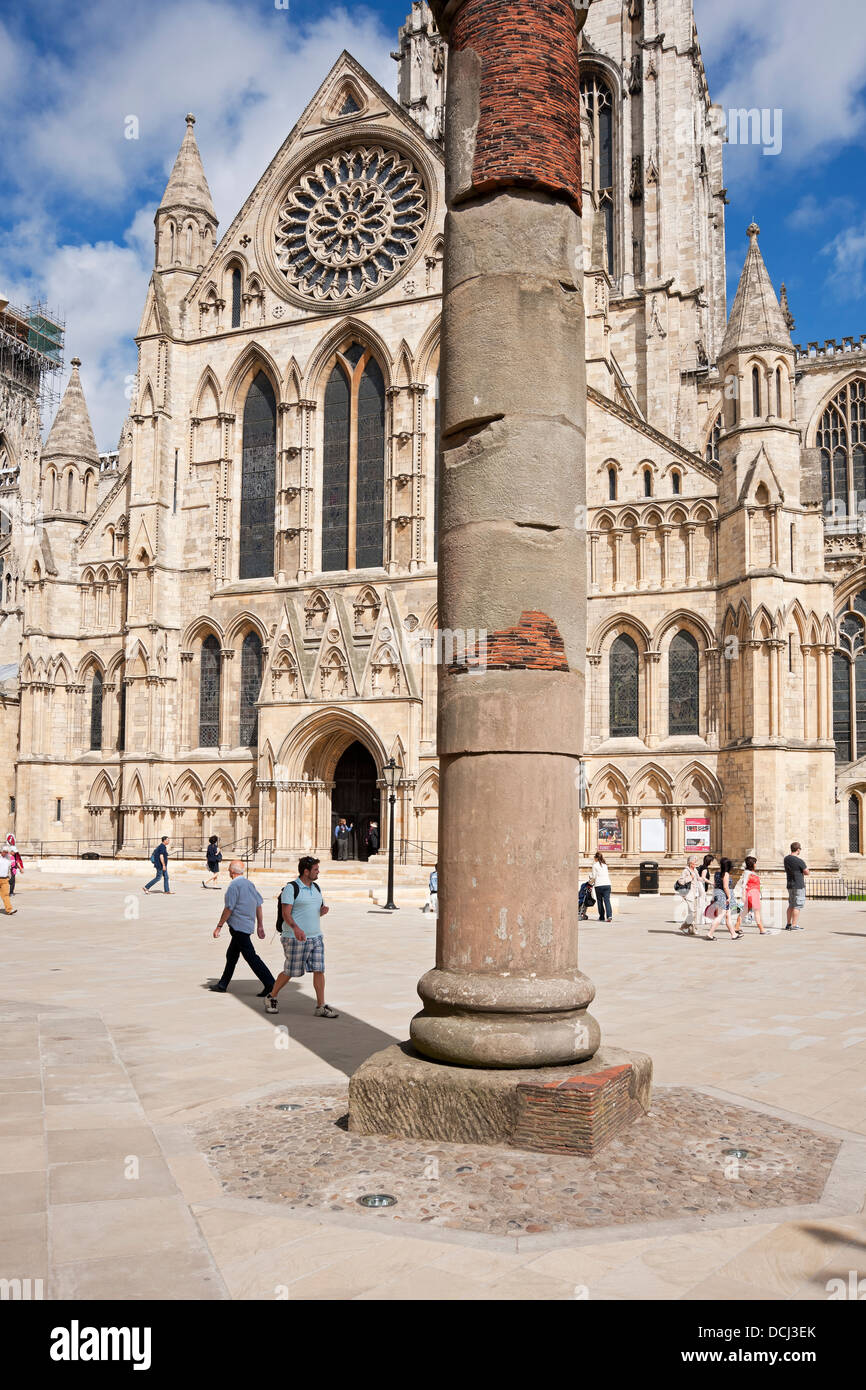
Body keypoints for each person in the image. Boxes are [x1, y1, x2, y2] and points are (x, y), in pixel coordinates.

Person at [264, 856, 338, 1018]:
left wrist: (322, 912)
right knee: (291, 971)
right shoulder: (291, 888)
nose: (318, 872)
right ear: (306, 871)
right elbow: (286, 913)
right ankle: (272, 996)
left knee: (319, 970)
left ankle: (320, 1006)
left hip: (316, 937)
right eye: (316, 870)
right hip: (294, 937)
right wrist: (296, 928)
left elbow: (314, 910)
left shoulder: (316, 887)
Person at [211, 860, 276, 996]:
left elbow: (229, 908)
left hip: (238, 927)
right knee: (232, 955)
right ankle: (223, 984)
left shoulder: (234, 886)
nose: (228, 872)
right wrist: (260, 925)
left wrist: (219, 926)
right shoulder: (249, 884)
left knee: (251, 956)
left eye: (229, 870)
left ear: (232, 872)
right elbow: (258, 905)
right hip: (246, 925)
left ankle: (270, 984)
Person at [706, 856, 740, 941]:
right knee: (720, 915)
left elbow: (716, 885)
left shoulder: (717, 873)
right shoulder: (726, 874)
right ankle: (710, 933)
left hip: (718, 894)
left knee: (728, 916)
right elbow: (725, 887)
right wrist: (729, 896)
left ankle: (733, 934)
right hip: (723, 896)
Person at [742, 855, 770, 935]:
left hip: (755, 894)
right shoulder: (747, 873)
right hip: (752, 894)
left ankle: (736, 927)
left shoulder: (752, 873)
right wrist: (743, 895)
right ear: (752, 864)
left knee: (744, 912)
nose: (756, 864)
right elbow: (744, 884)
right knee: (757, 912)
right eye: (755, 863)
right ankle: (762, 929)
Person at [674, 855, 703, 934]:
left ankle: (692, 930)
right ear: (690, 863)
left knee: (694, 912)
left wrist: (701, 878)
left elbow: (698, 879)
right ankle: (683, 927)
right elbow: (681, 881)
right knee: (692, 913)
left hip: (695, 893)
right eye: (695, 862)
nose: (696, 863)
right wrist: (690, 877)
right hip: (689, 893)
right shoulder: (686, 871)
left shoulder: (695, 870)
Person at [784, 841, 809, 930]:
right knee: (797, 905)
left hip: (790, 884)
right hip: (798, 884)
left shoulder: (786, 859)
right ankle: (794, 925)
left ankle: (788, 924)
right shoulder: (799, 861)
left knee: (791, 904)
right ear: (798, 849)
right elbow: (807, 872)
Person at [590, 850, 612, 922]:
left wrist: (590, 882)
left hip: (599, 885)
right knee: (607, 901)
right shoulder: (605, 865)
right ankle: (609, 916)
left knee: (600, 901)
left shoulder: (594, 865)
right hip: (607, 884)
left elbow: (594, 877)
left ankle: (602, 917)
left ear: (596, 858)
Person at [0, 847, 17, 915]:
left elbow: (9, 868)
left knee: (6, 895)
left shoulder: (8, 859)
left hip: (5, 879)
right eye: (4, 851)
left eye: (6, 852)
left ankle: (9, 910)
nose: (5, 853)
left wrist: (10, 876)